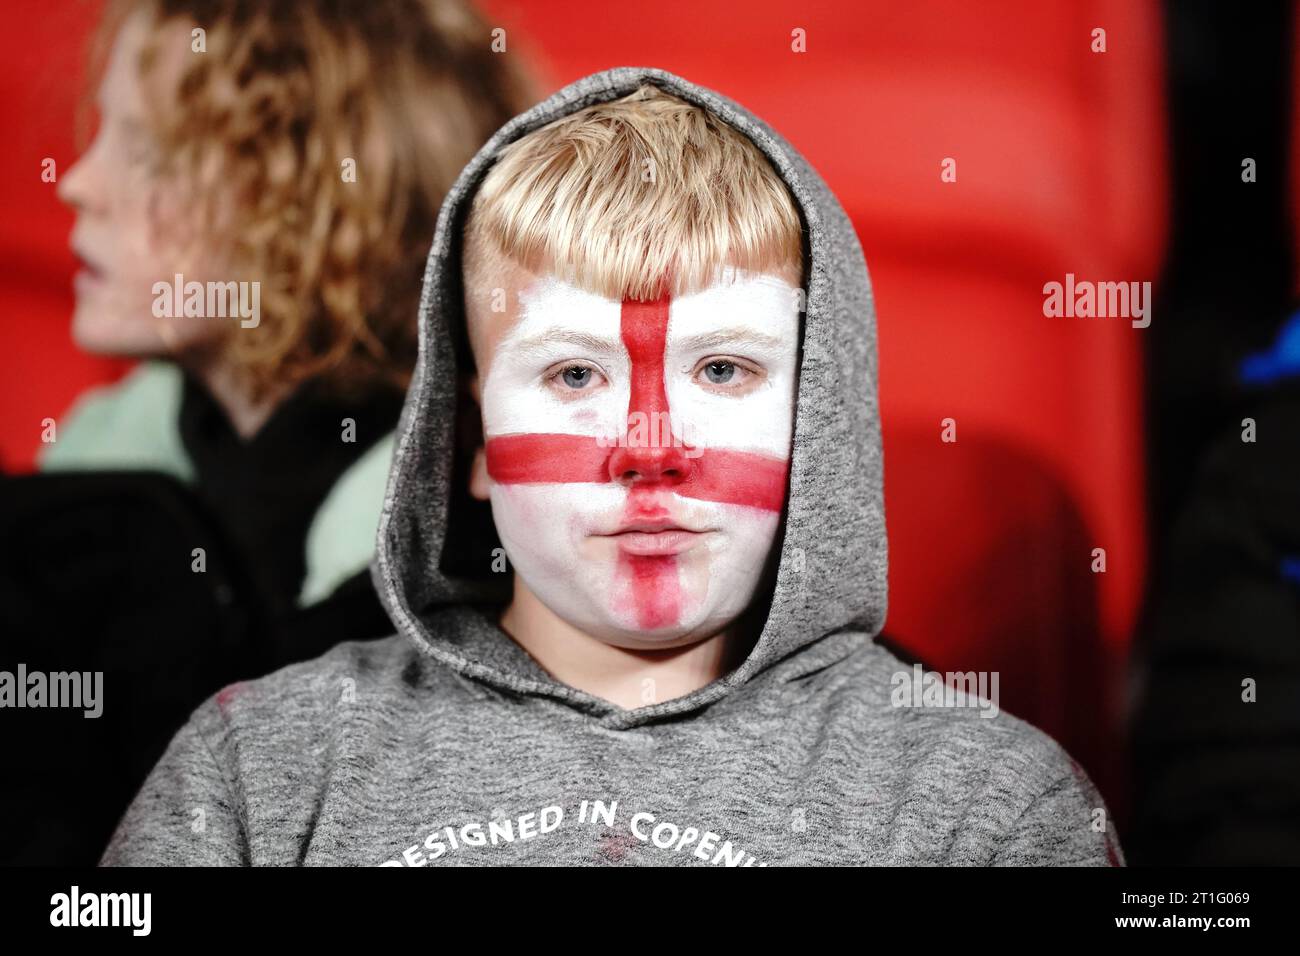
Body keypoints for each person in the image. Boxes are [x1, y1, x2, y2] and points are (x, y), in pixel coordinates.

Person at [101, 69, 1123, 866]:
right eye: (573, 371)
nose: (650, 445)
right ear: (470, 449)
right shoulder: (258, 768)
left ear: (818, 416)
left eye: (722, 367)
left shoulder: (983, 802)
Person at [0, 0, 533, 866]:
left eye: (149, 151)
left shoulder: (464, 516)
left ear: (308, 194)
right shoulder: (93, 466)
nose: (78, 182)